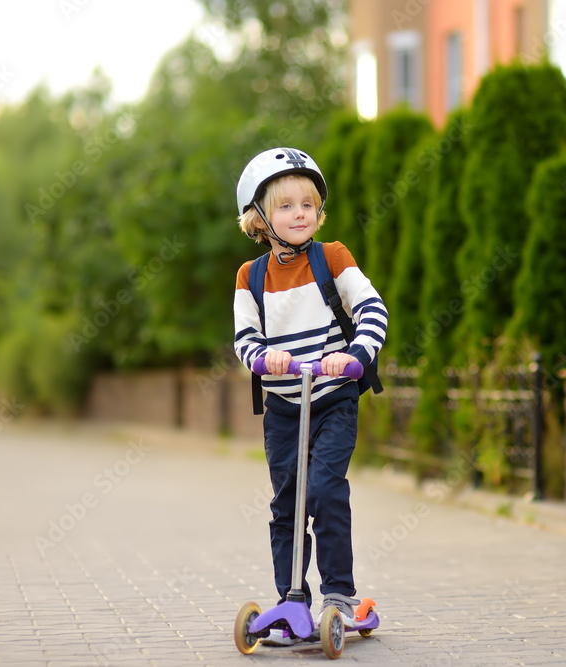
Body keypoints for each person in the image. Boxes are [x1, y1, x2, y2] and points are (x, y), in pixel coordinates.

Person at [232, 147, 387, 643]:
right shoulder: (250, 276)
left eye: (308, 204)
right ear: (259, 218)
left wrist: (357, 355)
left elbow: (371, 308)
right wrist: (261, 357)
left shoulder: (333, 257)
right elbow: (244, 338)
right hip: (283, 406)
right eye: (285, 205)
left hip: (334, 397)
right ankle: (290, 599)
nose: (300, 214)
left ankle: (338, 595)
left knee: (323, 491)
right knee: (287, 503)